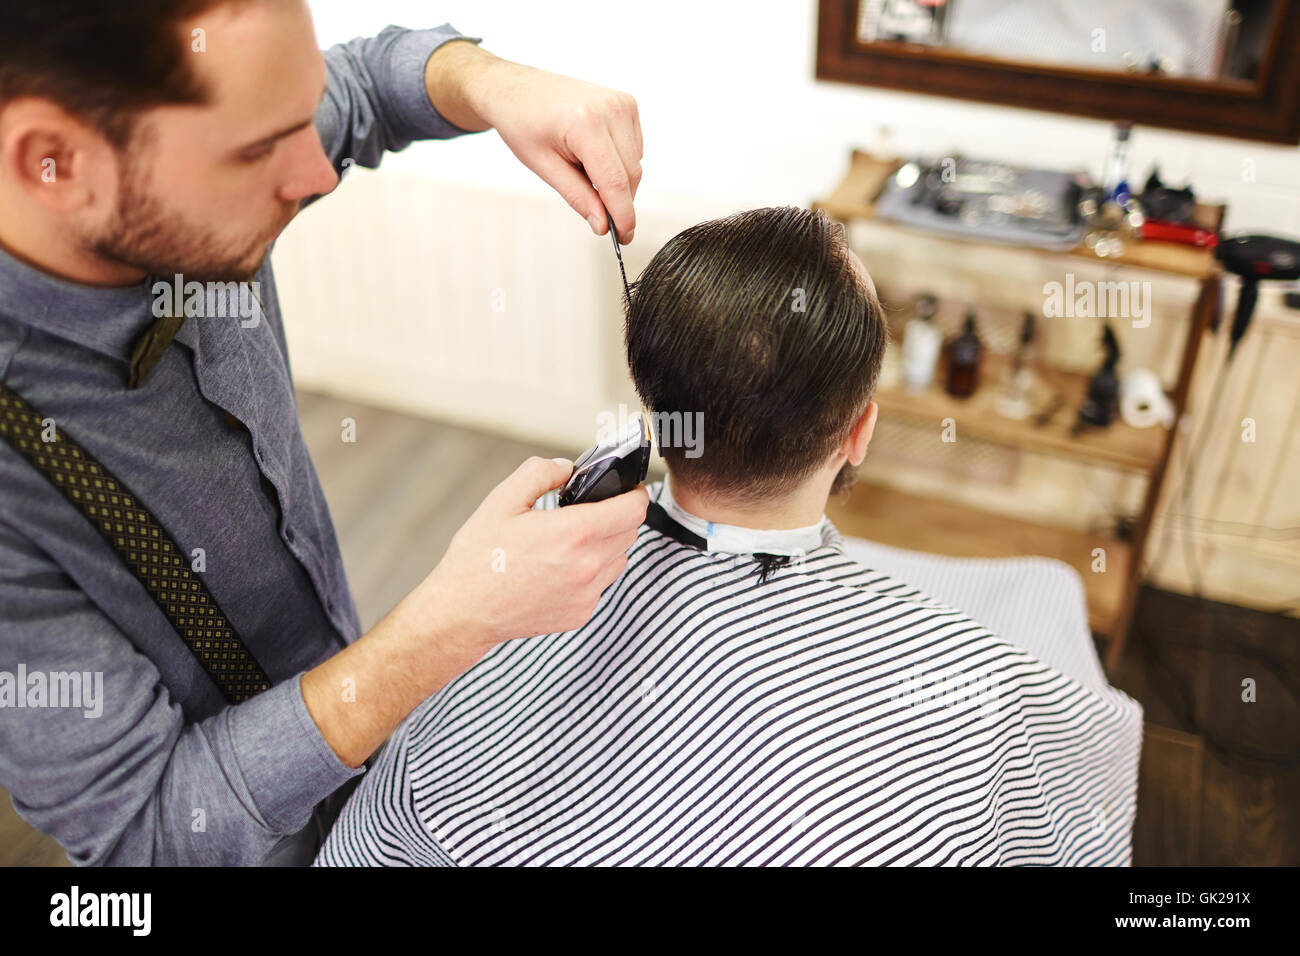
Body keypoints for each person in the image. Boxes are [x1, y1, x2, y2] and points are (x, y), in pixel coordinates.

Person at [0, 1, 647, 866]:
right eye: (258, 150)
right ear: (54, 161)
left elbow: (372, 79)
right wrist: (448, 628)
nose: (318, 173)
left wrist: (495, 83)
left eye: (301, 116)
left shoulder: (209, 128)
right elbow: (147, 833)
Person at [315, 206, 1144, 867]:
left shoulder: (487, 605)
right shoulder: (978, 703)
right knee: (1049, 590)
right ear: (858, 434)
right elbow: (1078, 797)